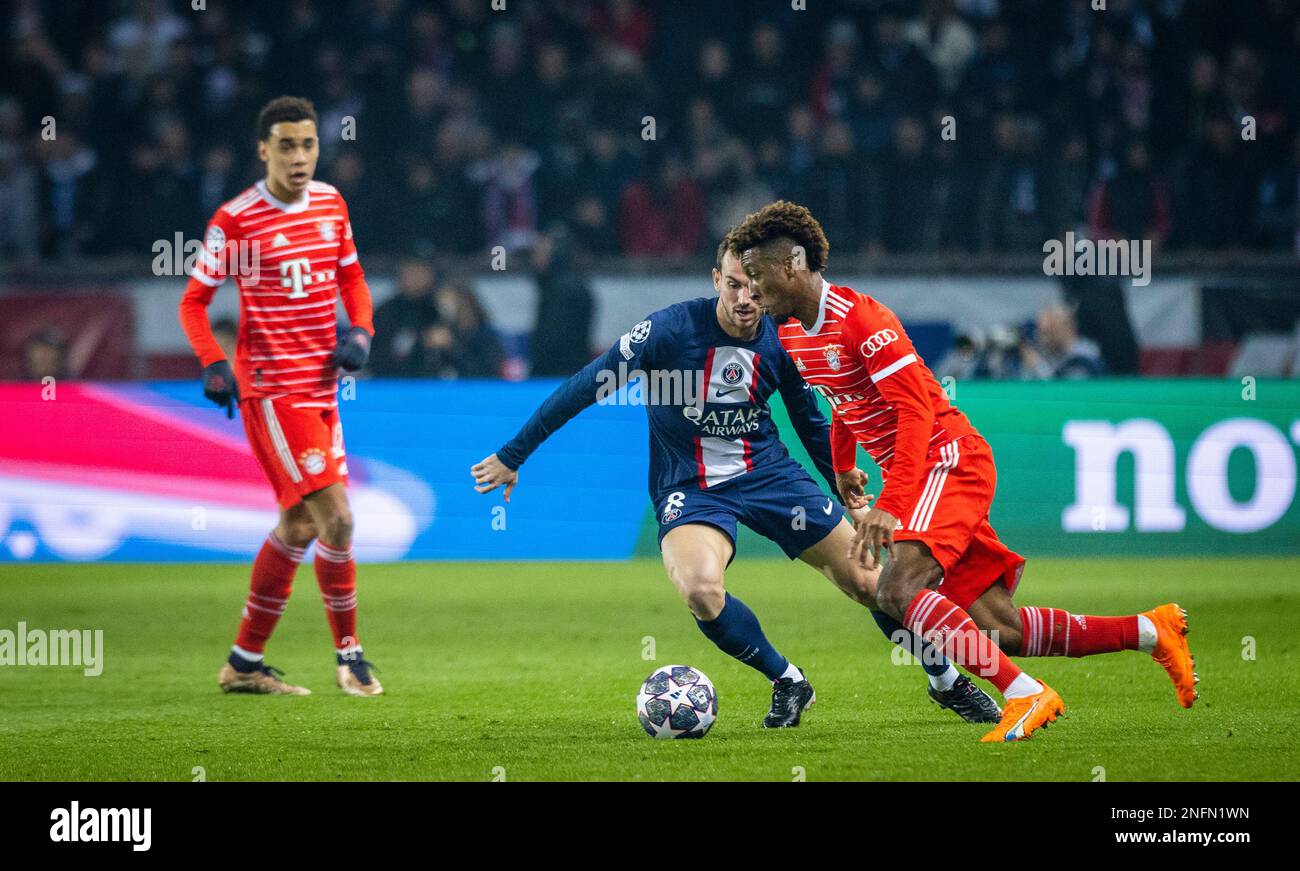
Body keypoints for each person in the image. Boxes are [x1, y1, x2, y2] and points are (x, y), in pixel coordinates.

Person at [472, 240, 1001, 728]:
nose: (746, 298)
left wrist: (849, 496)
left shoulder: (783, 338)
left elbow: (810, 421)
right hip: (691, 486)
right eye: (733, 284)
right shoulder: (668, 332)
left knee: (869, 583)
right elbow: (585, 387)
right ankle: (788, 680)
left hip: (771, 477)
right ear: (715, 279)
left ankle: (946, 680)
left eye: (754, 285)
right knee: (700, 590)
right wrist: (513, 455)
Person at [730, 200, 1197, 742]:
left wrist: (892, 505)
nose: (750, 292)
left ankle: (1025, 694)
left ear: (791, 264)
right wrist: (842, 468)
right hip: (924, 473)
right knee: (1001, 629)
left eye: (757, 276)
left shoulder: (863, 319)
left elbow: (916, 412)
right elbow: (843, 399)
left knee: (897, 590)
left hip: (948, 460)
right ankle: (1151, 631)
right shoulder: (793, 334)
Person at [177, 96, 382, 698]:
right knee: (338, 519)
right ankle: (351, 655)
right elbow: (193, 301)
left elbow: (352, 277)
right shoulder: (236, 220)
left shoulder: (330, 202)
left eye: (309, 145)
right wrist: (216, 364)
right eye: (287, 146)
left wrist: (362, 331)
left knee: (297, 524)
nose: (299, 157)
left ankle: (243, 664)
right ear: (263, 149)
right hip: (272, 394)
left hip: (322, 391)